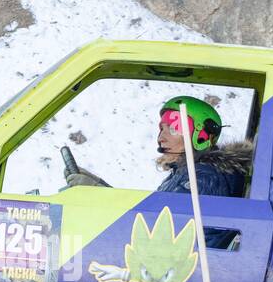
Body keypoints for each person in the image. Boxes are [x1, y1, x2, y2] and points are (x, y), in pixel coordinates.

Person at [69, 95, 253, 249]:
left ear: (201, 135)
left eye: (173, 129)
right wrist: (100, 188)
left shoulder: (204, 177)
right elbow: (149, 219)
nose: (161, 137)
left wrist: (99, 195)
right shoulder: (187, 171)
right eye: (162, 128)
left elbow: (151, 229)